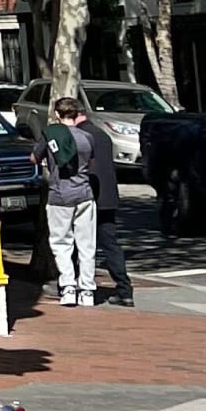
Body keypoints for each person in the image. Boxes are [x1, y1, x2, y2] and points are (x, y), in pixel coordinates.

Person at [31, 96, 97, 307]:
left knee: (61, 244)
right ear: (77, 114)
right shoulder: (87, 137)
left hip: (59, 195)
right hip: (85, 194)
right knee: (87, 245)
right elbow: (91, 162)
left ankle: (68, 287)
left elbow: (33, 158)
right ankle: (87, 290)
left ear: (57, 114)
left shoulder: (51, 136)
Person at [80, 112, 133, 307]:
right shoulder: (102, 134)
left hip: (87, 195)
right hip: (108, 196)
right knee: (110, 244)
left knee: (82, 245)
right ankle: (124, 289)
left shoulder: (79, 135)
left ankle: (80, 287)